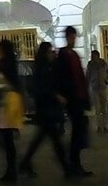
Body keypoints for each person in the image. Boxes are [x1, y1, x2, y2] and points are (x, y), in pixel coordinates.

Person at [19, 42, 71, 178]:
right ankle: (66, 168)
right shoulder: (42, 69)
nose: (52, 54)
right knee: (53, 140)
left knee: (41, 139)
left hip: (47, 109)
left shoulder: (47, 67)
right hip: (46, 109)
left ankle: (25, 163)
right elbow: (44, 88)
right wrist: (56, 96)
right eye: (50, 51)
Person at [57, 26, 94, 176]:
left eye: (75, 37)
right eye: (72, 37)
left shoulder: (74, 55)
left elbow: (80, 77)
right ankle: (73, 163)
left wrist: (85, 97)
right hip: (72, 99)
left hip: (78, 97)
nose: (74, 39)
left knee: (80, 130)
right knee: (77, 131)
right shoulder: (64, 55)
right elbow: (63, 77)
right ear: (67, 37)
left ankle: (74, 163)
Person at [0, 40, 26, 183]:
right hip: (14, 101)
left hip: (6, 103)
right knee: (7, 139)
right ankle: (16, 167)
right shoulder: (12, 63)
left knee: (5, 139)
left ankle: (13, 170)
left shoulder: (2, 64)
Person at [86, 48, 108, 134]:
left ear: (98, 56)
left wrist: (107, 81)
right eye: (92, 56)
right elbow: (88, 76)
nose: (93, 58)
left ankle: (104, 126)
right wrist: (86, 86)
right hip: (94, 88)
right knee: (97, 108)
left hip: (103, 88)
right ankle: (99, 127)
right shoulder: (90, 65)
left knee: (104, 108)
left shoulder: (103, 64)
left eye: (94, 56)